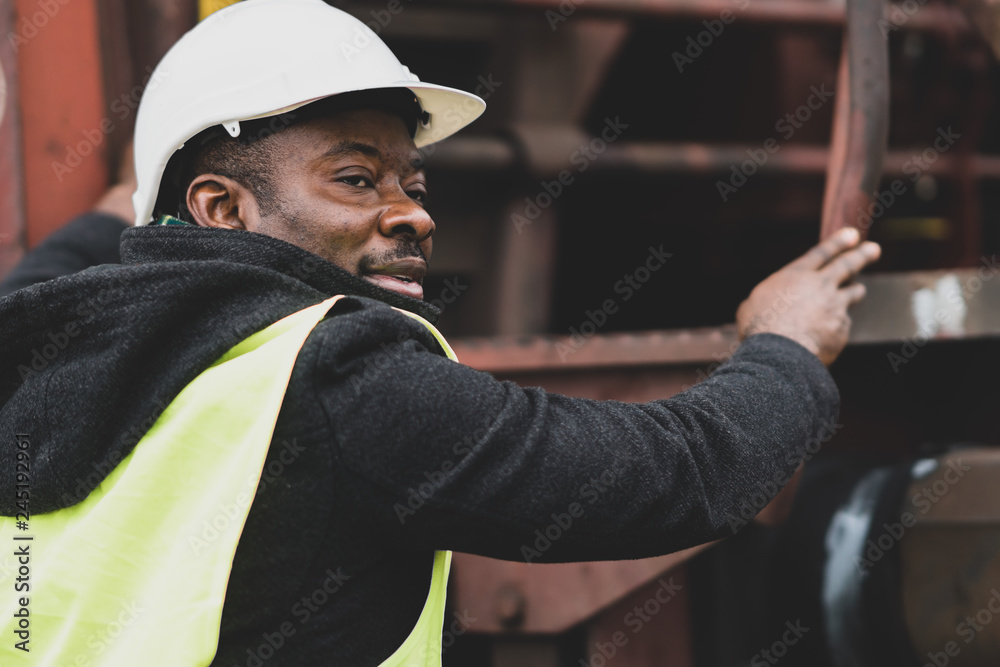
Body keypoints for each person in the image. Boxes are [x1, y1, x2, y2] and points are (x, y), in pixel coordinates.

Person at [0, 0, 880, 664]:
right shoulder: (334, 373)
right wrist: (785, 347)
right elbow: (676, 474)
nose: (411, 216)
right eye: (355, 179)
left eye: (413, 185)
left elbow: (42, 280)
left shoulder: (41, 347)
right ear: (221, 208)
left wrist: (129, 205)